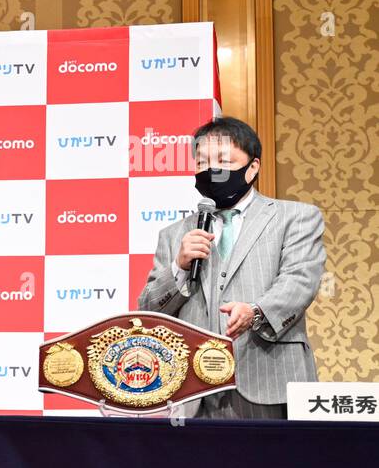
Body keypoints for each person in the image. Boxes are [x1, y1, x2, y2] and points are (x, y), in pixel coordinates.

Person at [136, 116, 325, 418]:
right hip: (192, 393)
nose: (211, 170)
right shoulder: (174, 234)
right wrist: (180, 267)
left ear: (252, 167)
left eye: (223, 160)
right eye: (202, 162)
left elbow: (300, 282)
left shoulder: (296, 217)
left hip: (268, 380)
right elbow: (148, 310)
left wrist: (256, 312)